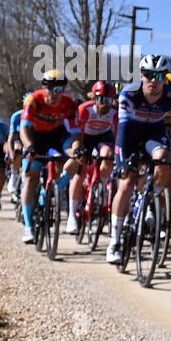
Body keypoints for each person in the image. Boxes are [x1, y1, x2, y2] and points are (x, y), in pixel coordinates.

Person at [106, 55, 171, 264]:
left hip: (153, 134)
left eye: (159, 76)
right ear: (142, 75)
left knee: (164, 160)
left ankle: (150, 199)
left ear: (165, 77)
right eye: (149, 75)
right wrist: (121, 162)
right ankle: (114, 241)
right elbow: (122, 130)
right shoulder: (129, 93)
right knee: (126, 182)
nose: (153, 80)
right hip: (130, 135)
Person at [20, 70, 79, 243]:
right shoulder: (33, 100)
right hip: (35, 136)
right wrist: (29, 146)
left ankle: (59, 186)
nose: (55, 93)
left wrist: (76, 149)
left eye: (60, 89)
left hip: (56, 135)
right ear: (44, 87)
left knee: (76, 156)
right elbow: (24, 128)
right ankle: (29, 227)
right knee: (31, 178)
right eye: (51, 88)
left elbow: (75, 132)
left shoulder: (68, 103)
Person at [66, 81, 118, 233]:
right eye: (101, 99)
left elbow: (116, 135)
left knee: (107, 156)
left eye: (109, 100)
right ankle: (71, 214)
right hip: (85, 137)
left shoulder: (114, 112)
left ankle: (101, 186)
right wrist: (80, 152)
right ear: (94, 98)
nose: (105, 104)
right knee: (80, 172)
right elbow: (78, 133)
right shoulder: (85, 109)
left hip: (104, 137)